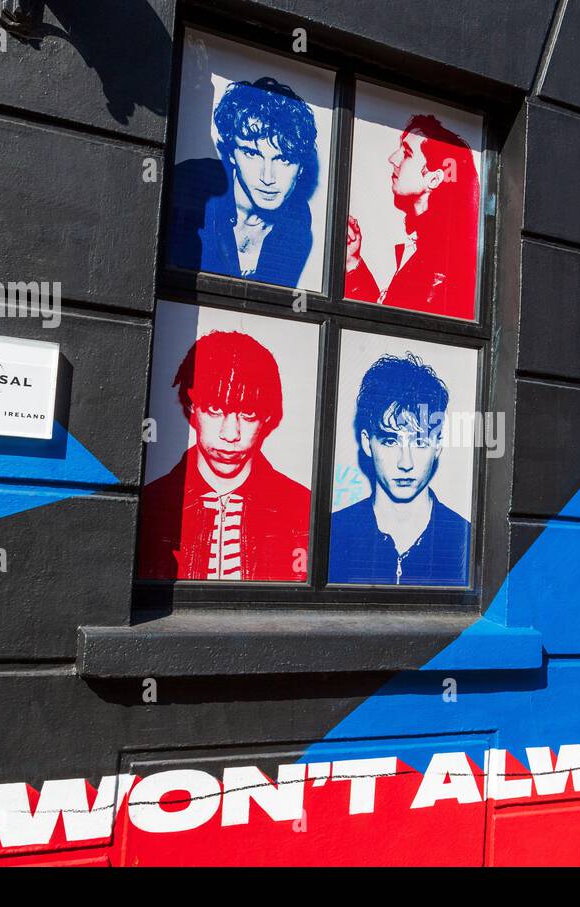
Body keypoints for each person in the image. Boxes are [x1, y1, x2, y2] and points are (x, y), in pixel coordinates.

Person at [137, 330, 310, 581]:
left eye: (248, 414)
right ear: (191, 407)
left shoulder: (299, 506)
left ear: (267, 419)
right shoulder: (152, 504)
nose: (231, 434)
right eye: (215, 409)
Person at [328, 353, 471, 585]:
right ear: (367, 443)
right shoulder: (333, 534)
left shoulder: (465, 539)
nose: (406, 463)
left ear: (438, 446)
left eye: (419, 442)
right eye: (390, 441)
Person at [168, 76, 319, 288]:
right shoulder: (191, 188)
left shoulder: (296, 224)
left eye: (283, 159)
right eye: (251, 154)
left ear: (301, 166)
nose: (268, 177)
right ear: (231, 154)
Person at [344, 114, 480, 321]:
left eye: (406, 153)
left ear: (434, 178)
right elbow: (386, 323)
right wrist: (353, 261)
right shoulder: (428, 248)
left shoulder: (443, 265)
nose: (393, 158)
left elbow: (386, 332)